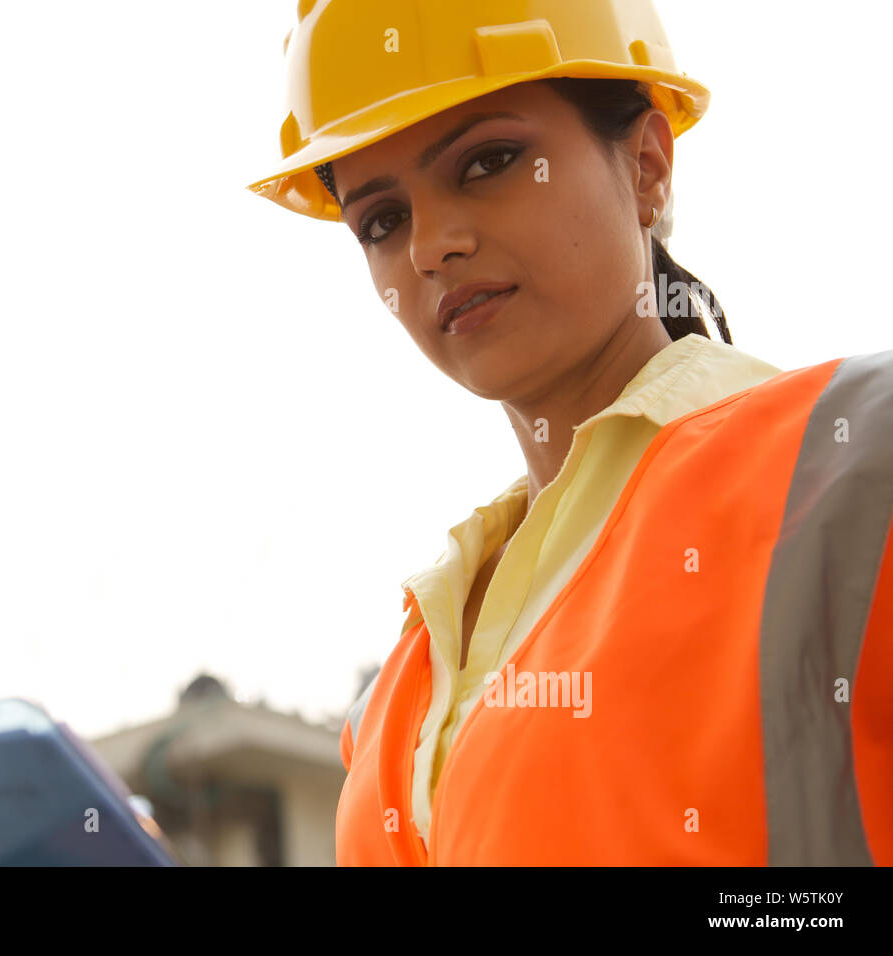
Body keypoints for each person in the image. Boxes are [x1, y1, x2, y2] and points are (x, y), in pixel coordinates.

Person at [245, 0, 893, 865]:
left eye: (490, 162)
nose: (433, 245)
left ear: (649, 167)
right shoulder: (394, 703)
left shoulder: (857, 463)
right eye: (382, 221)